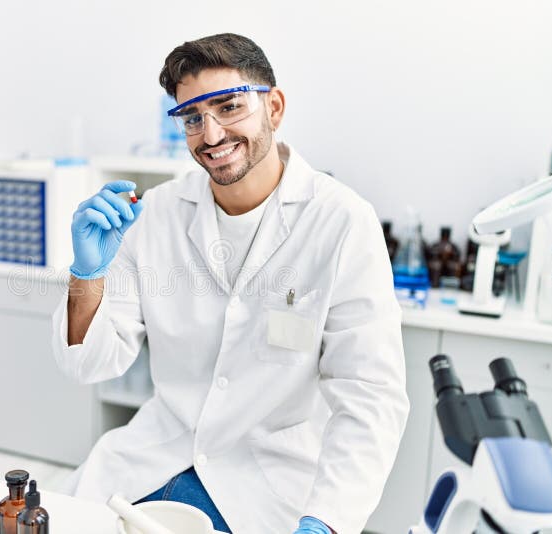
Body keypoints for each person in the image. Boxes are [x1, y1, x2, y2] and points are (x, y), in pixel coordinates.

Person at [51, 33, 409, 534]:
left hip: (266, 484)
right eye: (192, 118)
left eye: (229, 107)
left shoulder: (342, 221)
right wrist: (86, 276)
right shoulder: (156, 214)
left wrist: (326, 521)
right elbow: (90, 363)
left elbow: (370, 397)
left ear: (274, 107)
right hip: (149, 459)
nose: (211, 134)